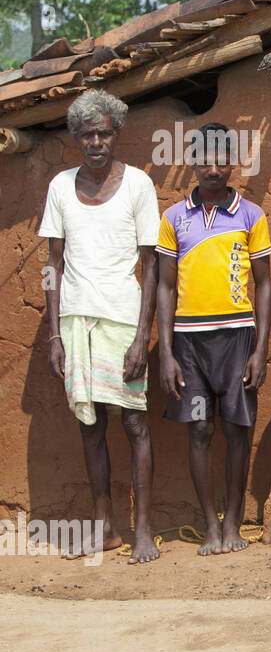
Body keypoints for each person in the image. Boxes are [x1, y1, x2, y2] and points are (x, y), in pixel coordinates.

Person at [39, 89, 161, 563]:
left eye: (103, 133)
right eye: (87, 134)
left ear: (116, 135)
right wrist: (54, 336)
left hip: (122, 319)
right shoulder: (59, 187)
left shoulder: (138, 185)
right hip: (75, 323)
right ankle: (105, 529)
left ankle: (144, 530)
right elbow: (53, 265)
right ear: (76, 137)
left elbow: (150, 266)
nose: (95, 142)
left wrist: (142, 335)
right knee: (89, 428)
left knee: (134, 422)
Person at [156, 122, 271, 556]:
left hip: (238, 338)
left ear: (233, 163)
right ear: (190, 161)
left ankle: (235, 525)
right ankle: (210, 524)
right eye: (204, 159)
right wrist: (165, 351)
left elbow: (263, 283)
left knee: (238, 430)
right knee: (201, 429)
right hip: (189, 343)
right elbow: (165, 287)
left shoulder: (250, 215)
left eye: (222, 159)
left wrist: (260, 348)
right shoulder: (173, 218)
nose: (213, 167)